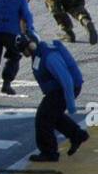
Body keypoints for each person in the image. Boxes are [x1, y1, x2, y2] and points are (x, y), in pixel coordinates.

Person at [15, 32, 90, 163]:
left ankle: (49, 153)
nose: (23, 53)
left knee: (43, 118)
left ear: (30, 46)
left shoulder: (49, 57)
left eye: (23, 49)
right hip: (58, 89)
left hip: (66, 88)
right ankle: (77, 135)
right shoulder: (39, 52)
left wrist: (71, 105)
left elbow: (66, 80)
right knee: (52, 114)